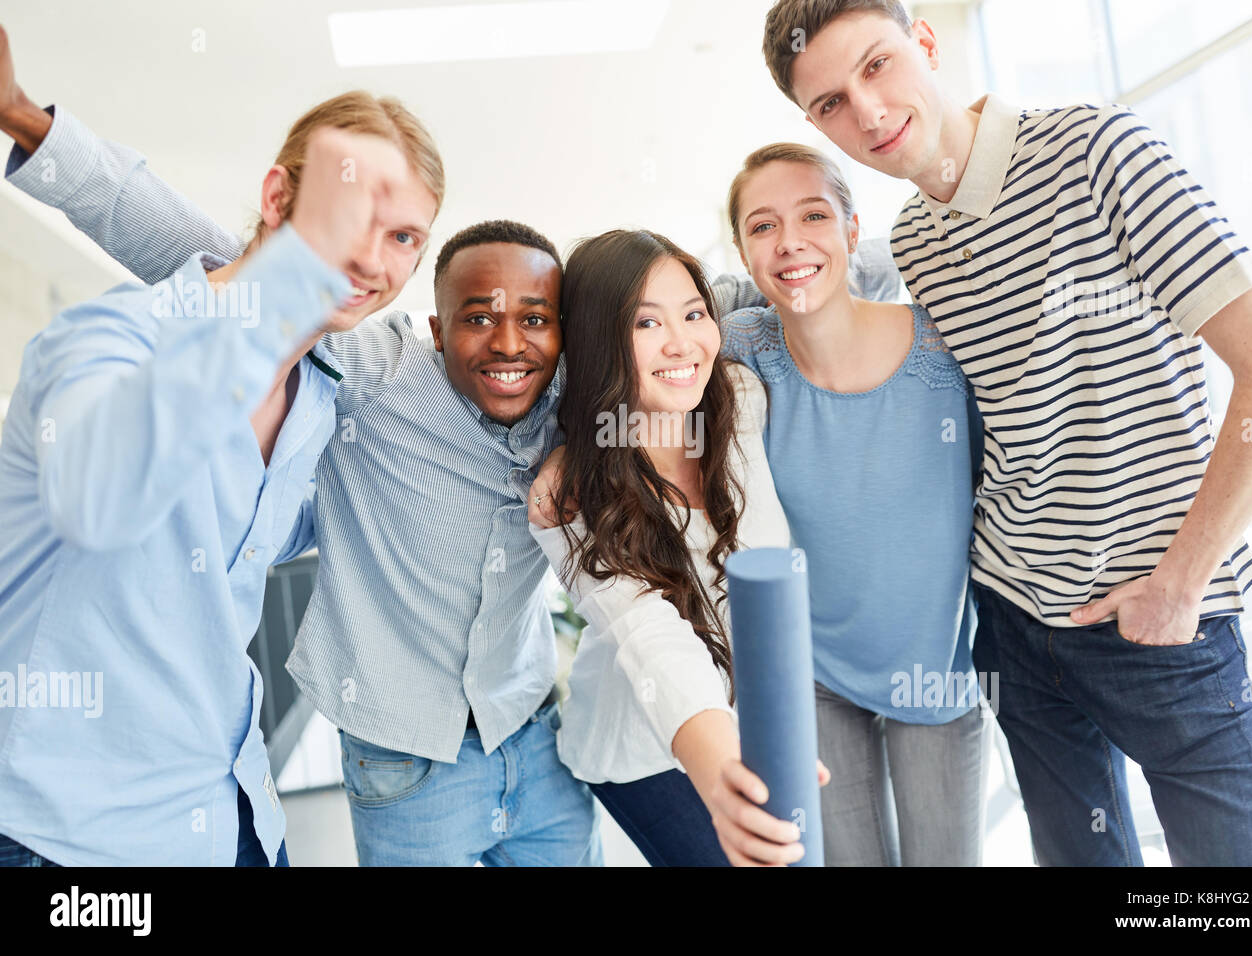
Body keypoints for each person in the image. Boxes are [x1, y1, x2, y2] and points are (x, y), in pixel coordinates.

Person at [0, 26, 902, 863]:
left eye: (399, 236)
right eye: (476, 318)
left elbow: (728, 305)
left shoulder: (571, 392)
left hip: (516, 735)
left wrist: (840, 259)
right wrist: (34, 128)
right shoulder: (362, 373)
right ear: (434, 326)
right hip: (383, 756)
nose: (507, 344)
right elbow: (218, 256)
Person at [759, 0, 1252, 865]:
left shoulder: (1098, 151)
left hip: (1158, 623)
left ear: (926, 44)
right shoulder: (913, 242)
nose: (864, 111)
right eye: (827, 103)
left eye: (876, 66)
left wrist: (1181, 580)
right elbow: (796, 283)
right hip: (1014, 623)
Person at [0, 86, 441, 865]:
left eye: (404, 235)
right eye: (350, 217)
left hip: (227, 815)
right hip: (61, 839)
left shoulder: (319, 395)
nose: (375, 257)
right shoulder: (107, 342)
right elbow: (102, 496)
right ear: (279, 197)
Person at [721, 142, 986, 866]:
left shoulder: (944, 349)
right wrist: (563, 449)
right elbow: (644, 341)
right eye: (763, 226)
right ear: (744, 254)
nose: (791, 242)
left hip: (934, 668)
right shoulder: (740, 349)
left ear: (851, 231)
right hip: (813, 675)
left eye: (813, 216)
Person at [528, 229, 828, 867]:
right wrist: (719, 772)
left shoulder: (742, 400)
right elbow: (649, 636)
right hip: (643, 749)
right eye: (645, 322)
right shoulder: (571, 493)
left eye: (694, 313)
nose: (681, 343)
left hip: (753, 714)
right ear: (596, 340)